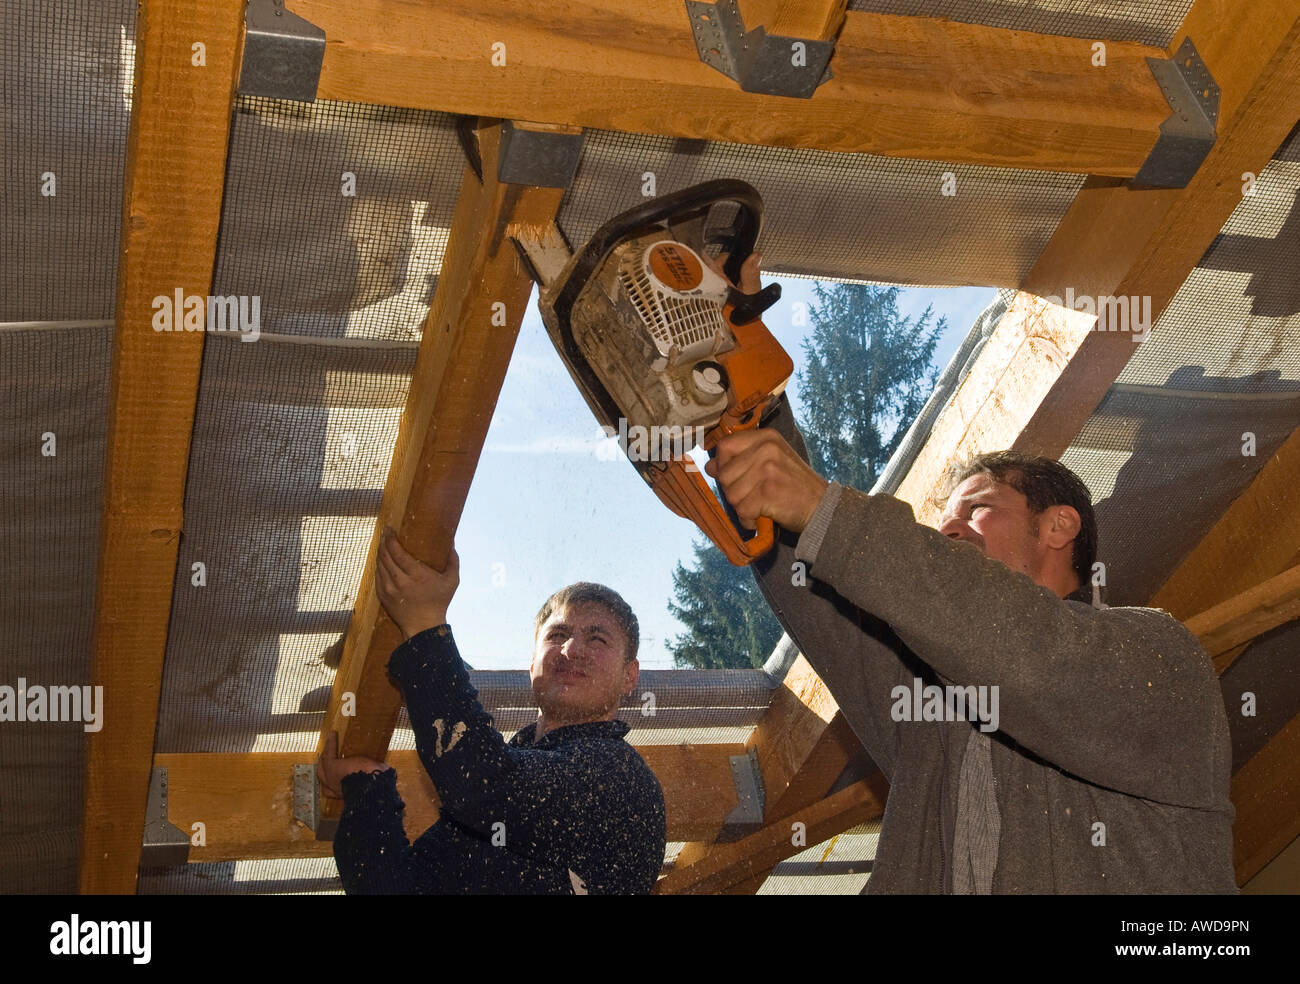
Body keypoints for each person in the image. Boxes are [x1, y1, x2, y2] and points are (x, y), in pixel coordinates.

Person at [705, 254, 1236, 893]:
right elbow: (817, 585)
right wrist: (740, 387)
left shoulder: (1162, 662)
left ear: (1058, 527)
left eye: (979, 510)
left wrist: (826, 510)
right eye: (943, 520)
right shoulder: (929, 710)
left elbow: (1026, 652)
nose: (948, 531)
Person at [317, 529, 666, 894]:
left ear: (630, 676)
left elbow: (485, 784)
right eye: (557, 635)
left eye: (597, 639)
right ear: (532, 665)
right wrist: (365, 789)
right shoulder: (490, 802)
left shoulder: (622, 781)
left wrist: (423, 623)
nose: (570, 650)